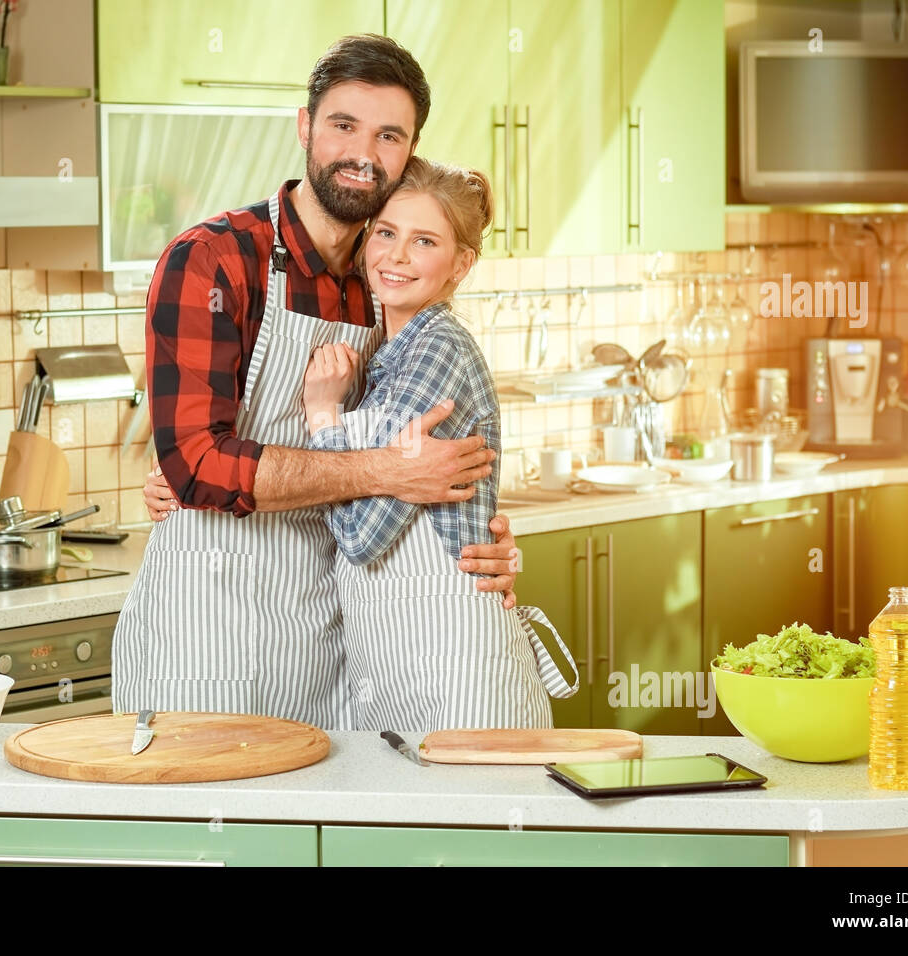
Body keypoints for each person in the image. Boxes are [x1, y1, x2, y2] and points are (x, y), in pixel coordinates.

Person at [114, 35, 523, 729]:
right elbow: (197, 466)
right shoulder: (214, 261)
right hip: (208, 632)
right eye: (343, 126)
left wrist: (481, 546)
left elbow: (430, 450)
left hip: (336, 642)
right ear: (305, 127)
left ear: (409, 151)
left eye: (388, 135)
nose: (364, 153)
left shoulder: (385, 282)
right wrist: (388, 473)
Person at [300, 158, 579, 731]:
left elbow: (361, 538)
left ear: (462, 262)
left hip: (458, 674)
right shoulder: (387, 355)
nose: (396, 256)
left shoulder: (437, 353)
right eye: (386, 233)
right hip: (402, 664)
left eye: (423, 240)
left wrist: (325, 416)